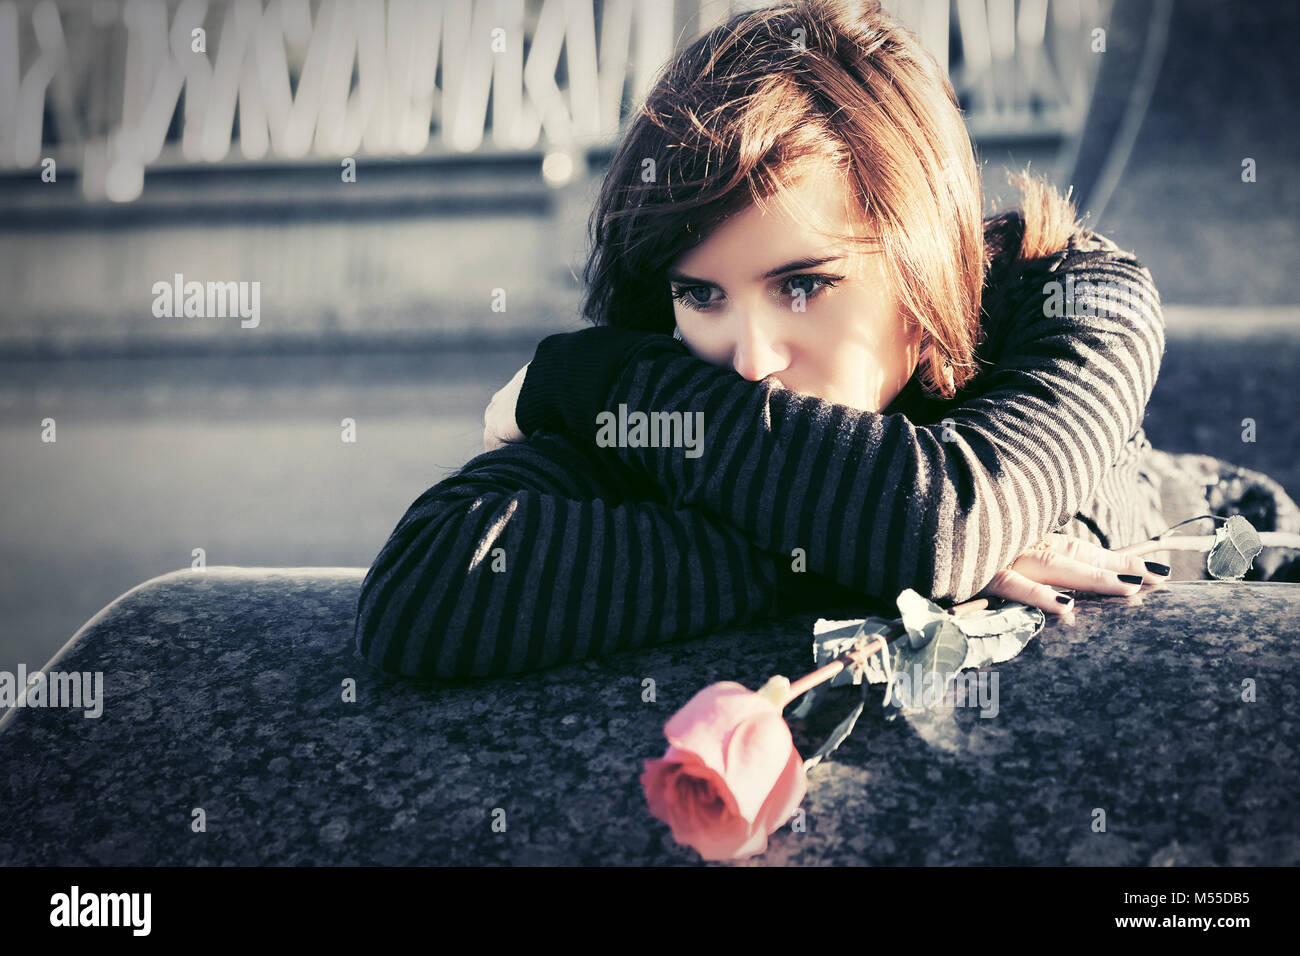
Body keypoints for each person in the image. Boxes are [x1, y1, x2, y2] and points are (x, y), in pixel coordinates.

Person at [353, 0, 1298, 681]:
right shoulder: (666, 376)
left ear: (919, 250)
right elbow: (427, 593)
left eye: (802, 285)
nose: (748, 360)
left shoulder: (1078, 297)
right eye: (701, 294)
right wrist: (861, 549)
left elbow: (947, 518)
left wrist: (589, 385)